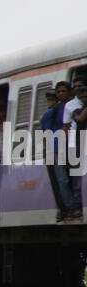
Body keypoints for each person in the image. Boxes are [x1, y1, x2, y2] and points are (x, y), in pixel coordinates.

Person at [41, 87, 75, 220]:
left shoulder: (60, 110)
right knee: (63, 180)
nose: (50, 102)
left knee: (64, 180)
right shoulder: (50, 113)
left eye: (51, 99)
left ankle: (67, 208)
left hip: (61, 149)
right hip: (56, 150)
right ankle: (68, 207)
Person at [61, 79, 86, 220]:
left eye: (80, 86)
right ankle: (78, 207)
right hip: (76, 142)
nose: (78, 89)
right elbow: (66, 126)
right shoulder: (71, 105)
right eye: (75, 87)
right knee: (77, 178)